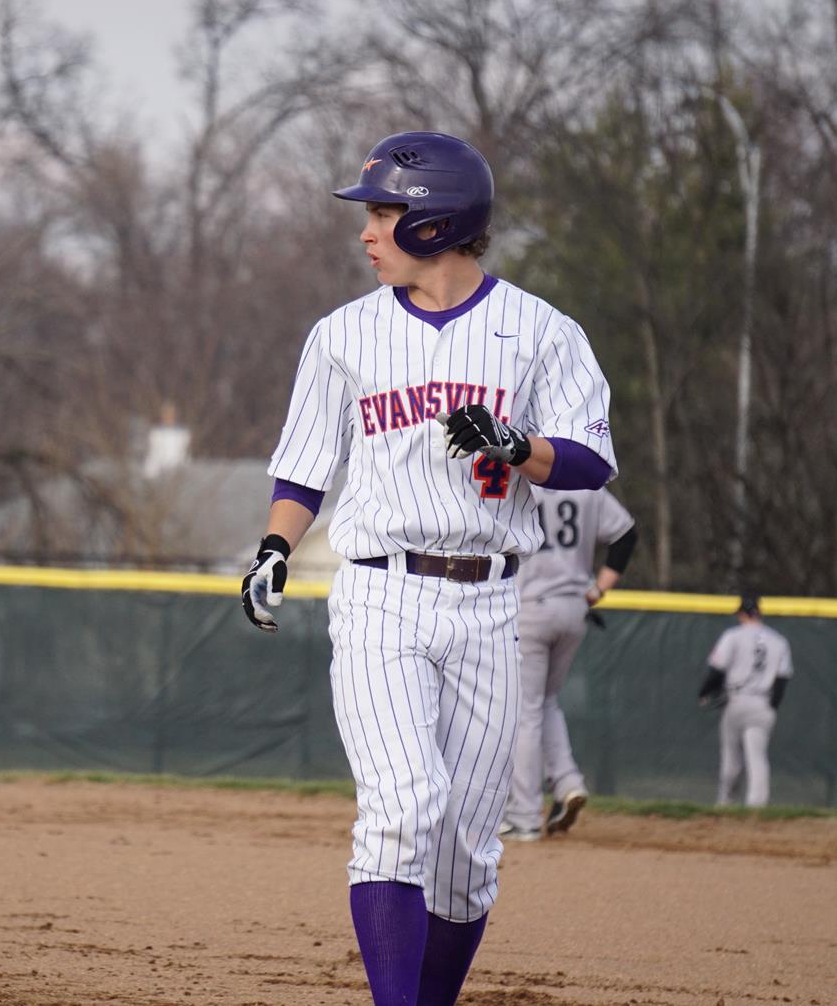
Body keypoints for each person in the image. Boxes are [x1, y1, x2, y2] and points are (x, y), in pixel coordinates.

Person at [240, 132, 617, 1006]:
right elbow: (304, 467)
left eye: (383, 213)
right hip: (381, 592)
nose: (367, 232)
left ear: (437, 222)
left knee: (465, 858)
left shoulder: (540, 332)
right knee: (403, 806)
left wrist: (519, 446)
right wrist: (274, 547)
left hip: (492, 602)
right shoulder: (343, 335)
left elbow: (592, 457)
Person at [499, 486, 638, 842]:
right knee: (546, 702)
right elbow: (626, 534)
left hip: (530, 606)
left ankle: (524, 815)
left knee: (526, 711)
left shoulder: (523, 475)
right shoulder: (585, 480)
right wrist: (598, 590)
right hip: (575, 605)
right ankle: (567, 782)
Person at [699, 594, 793, 808]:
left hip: (737, 700)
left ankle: (726, 803)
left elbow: (717, 670)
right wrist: (771, 706)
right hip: (763, 703)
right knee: (757, 756)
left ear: (742, 614)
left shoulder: (733, 636)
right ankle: (757, 806)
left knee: (731, 758)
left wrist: (704, 692)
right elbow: (782, 680)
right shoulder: (779, 640)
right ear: (759, 613)